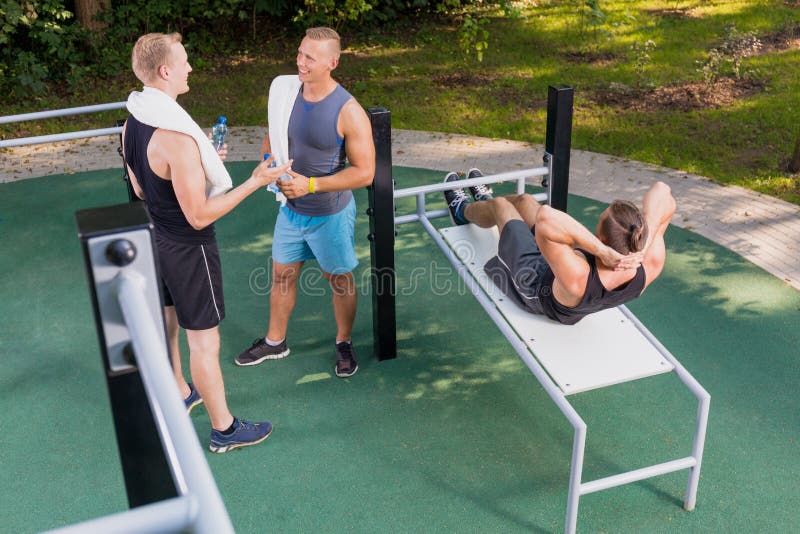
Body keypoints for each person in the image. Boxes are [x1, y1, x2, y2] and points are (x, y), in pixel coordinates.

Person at [122, 32, 291, 453]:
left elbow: (142, 189)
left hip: (154, 238)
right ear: (164, 71)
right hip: (187, 247)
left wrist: (197, 166)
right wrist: (255, 181)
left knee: (168, 321)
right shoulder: (177, 140)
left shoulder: (133, 121)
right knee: (204, 341)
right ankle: (224, 429)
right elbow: (198, 215)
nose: (190, 68)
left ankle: (179, 392)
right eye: (184, 61)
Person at [235, 27, 375, 378]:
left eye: (309, 57)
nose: (300, 62)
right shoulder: (285, 92)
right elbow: (272, 133)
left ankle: (343, 342)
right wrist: (268, 161)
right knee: (281, 276)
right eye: (299, 53)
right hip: (291, 210)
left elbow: (365, 173)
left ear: (332, 62)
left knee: (339, 280)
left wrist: (311, 185)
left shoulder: (349, 111)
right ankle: (275, 341)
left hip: (330, 214)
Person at [442, 169, 676, 325]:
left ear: (602, 239)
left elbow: (546, 218)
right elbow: (663, 190)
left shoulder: (580, 277)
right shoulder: (649, 264)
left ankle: (462, 211)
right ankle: (484, 202)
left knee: (502, 206)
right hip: (562, 273)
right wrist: (644, 246)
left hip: (534, 285)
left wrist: (602, 252)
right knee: (525, 201)